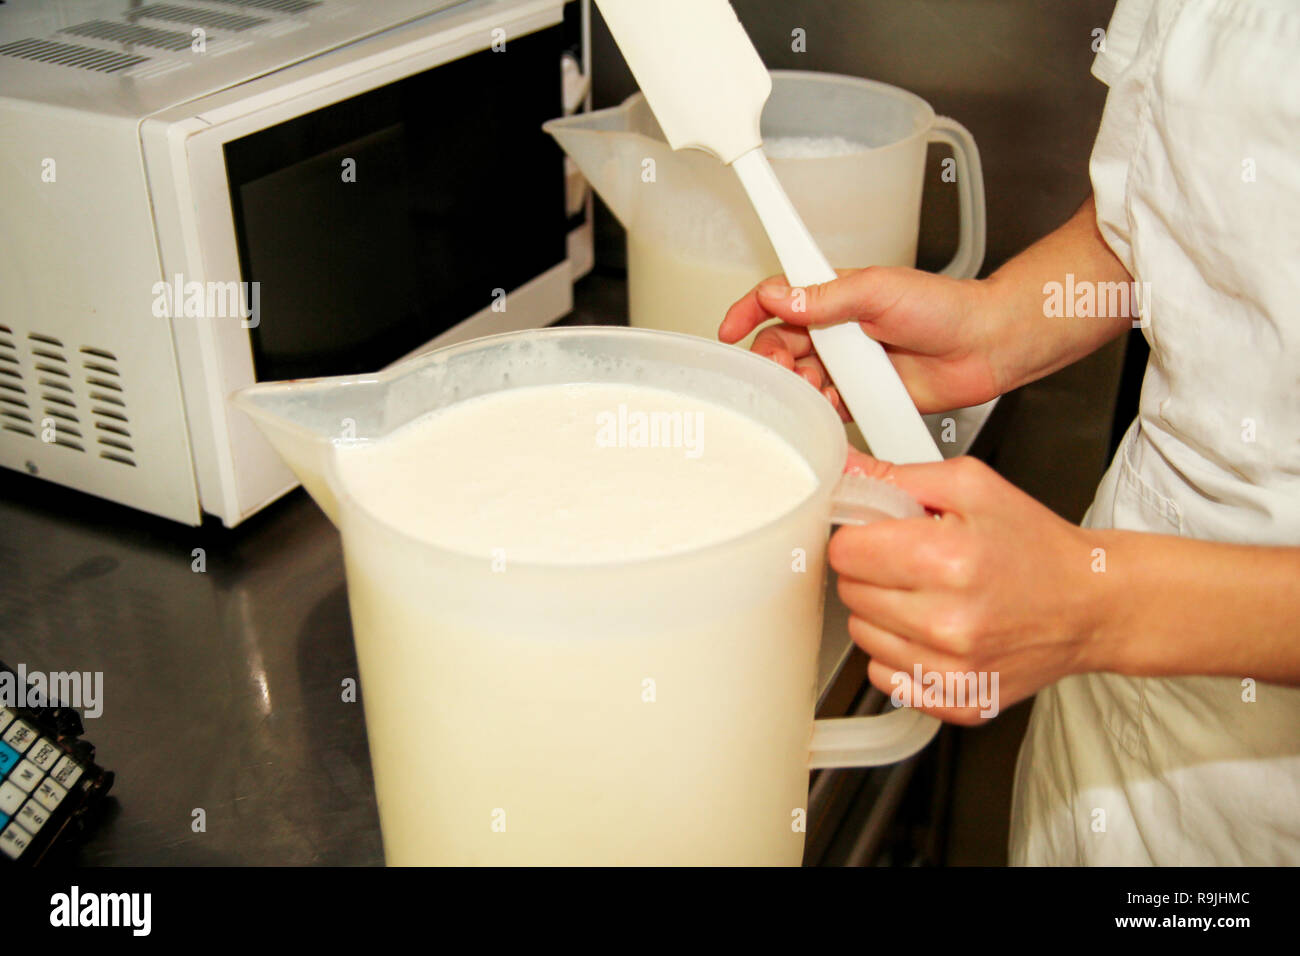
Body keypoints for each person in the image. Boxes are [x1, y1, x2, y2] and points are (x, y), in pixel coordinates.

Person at [719, 0, 1300, 866]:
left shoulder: (1095, 606)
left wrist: (1100, 606)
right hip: (1111, 727)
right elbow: (1159, 219)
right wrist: (991, 330)